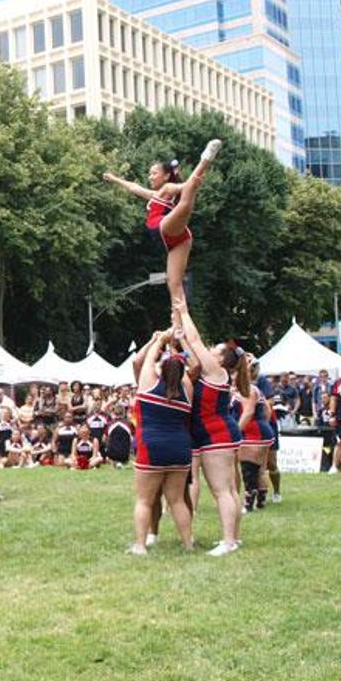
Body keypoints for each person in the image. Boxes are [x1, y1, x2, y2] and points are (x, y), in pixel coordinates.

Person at [103, 139, 222, 306]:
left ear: (166, 176)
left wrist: (192, 183)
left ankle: (206, 159)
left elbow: (184, 187)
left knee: (187, 198)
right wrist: (114, 179)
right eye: (149, 173)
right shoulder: (155, 195)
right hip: (173, 240)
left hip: (165, 227)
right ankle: (180, 320)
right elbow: (134, 187)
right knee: (174, 284)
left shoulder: (168, 188)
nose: (150, 177)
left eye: (154, 173)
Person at [173, 301, 244, 557]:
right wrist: (181, 338)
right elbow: (191, 351)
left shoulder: (216, 370)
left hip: (216, 435)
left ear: (221, 359)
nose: (210, 350)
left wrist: (184, 311)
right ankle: (234, 537)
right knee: (229, 489)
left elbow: (196, 341)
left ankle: (228, 541)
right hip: (217, 434)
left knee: (222, 490)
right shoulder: (212, 371)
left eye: (216, 349)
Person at [129, 331, 194, 554]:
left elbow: (145, 360)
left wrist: (159, 339)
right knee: (177, 501)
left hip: (152, 446)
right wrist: (175, 343)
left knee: (144, 500)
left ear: (162, 368)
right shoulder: (187, 389)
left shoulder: (148, 383)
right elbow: (181, 367)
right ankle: (188, 544)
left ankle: (140, 545)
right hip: (180, 448)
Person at [236, 359, 275, 513]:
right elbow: (267, 410)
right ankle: (261, 500)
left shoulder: (248, 390)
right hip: (260, 430)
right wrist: (264, 424)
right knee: (260, 468)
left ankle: (248, 503)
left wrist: (236, 431)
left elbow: (248, 412)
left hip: (253, 432)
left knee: (249, 468)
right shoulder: (255, 389)